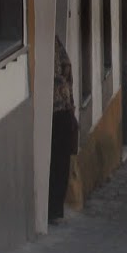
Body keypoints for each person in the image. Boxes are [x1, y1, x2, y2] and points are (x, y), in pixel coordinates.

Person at [49, 35, 77, 224]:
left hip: (53, 110)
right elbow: (68, 68)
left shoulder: (50, 42)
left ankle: (52, 208)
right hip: (63, 109)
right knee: (61, 163)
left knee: (55, 162)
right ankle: (55, 209)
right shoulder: (55, 42)